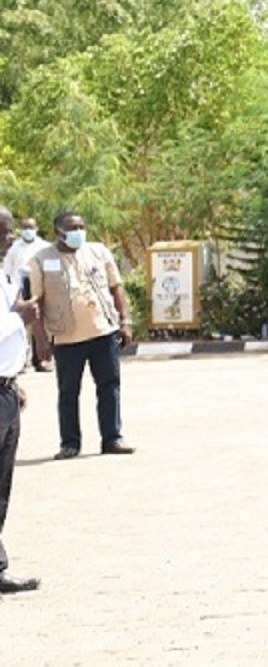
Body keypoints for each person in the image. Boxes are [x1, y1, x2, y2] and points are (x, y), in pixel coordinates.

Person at [26, 211, 134, 459]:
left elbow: (116, 288)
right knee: (68, 392)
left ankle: (112, 439)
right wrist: (40, 340)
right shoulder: (41, 259)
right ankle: (70, 444)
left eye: (81, 227)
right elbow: (36, 303)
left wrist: (125, 321)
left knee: (109, 386)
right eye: (72, 228)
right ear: (59, 232)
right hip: (66, 338)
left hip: (103, 331)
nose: (78, 233)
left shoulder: (98, 252)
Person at [0, 207, 39, 594]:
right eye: (4, 231)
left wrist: (14, 378)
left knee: (2, 485)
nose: (10, 238)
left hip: (6, 391)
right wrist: (20, 316)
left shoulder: (3, 274)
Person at [2, 218, 48, 373]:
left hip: (39, 287)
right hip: (19, 288)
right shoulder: (14, 248)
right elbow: (8, 269)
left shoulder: (44, 246)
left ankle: (39, 360)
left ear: (36, 228)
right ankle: (23, 362)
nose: (28, 231)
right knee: (21, 325)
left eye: (31, 227)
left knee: (39, 323)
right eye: (25, 228)